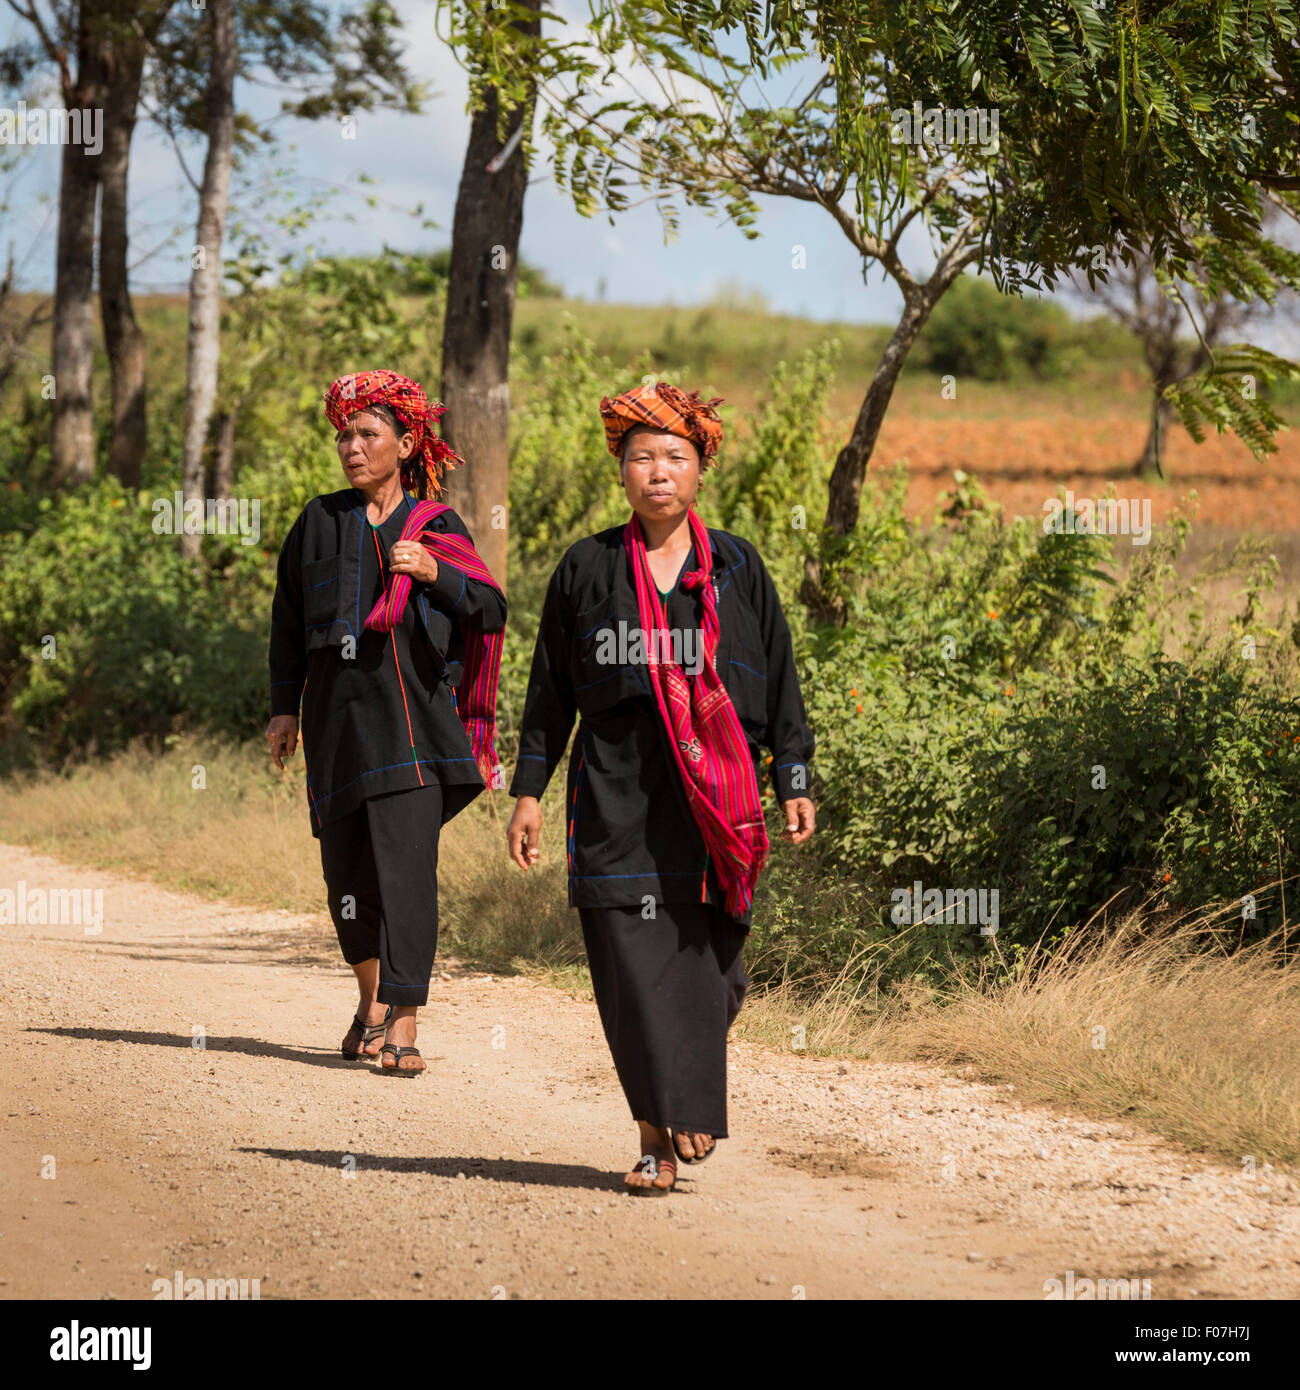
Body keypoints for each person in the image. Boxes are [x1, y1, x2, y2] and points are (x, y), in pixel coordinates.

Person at [506, 381, 815, 1192]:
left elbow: (780, 678)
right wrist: (529, 790)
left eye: (674, 456)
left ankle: (688, 1096)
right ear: (620, 471)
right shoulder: (586, 566)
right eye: (641, 457)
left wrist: (795, 773)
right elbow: (548, 692)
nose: (658, 472)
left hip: (717, 797)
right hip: (614, 791)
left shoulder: (738, 566)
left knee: (713, 965)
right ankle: (653, 1134)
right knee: (626, 964)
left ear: (700, 467)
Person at [267, 369, 506, 1075]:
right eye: (344, 434)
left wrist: (437, 574)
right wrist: (284, 707)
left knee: (405, 878)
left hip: (413, 733)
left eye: (367, 434)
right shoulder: (317, 521)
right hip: (337, 734)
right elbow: (286, 622)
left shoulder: (436, 527)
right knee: (346, 884)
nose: (351, 446)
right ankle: (370, 1001)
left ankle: (404, 1023)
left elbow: (490, 611)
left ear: (405, 444)